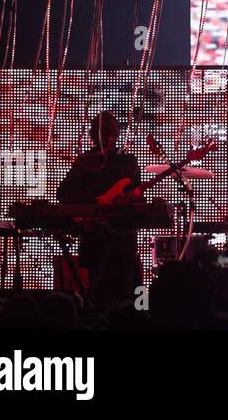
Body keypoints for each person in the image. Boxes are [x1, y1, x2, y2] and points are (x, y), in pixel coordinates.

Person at [56, 112, 143, 308]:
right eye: (106, 134)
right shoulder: (86, 161)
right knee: (99, 291)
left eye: (113, 134)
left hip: (123, 237)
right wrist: (95, 202)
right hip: (96, 237)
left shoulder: (128, 162)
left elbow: (136, 197)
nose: (111, 138)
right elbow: (63, 194)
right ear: (95, 136)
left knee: (126, 287)